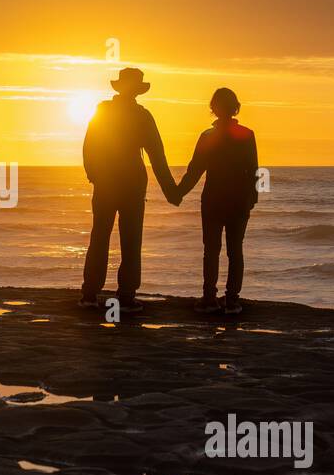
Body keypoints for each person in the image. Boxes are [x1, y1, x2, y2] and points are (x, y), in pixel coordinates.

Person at [79, 67, 178, 312]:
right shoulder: (141, 116)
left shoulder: (103, 112)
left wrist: (94, 176)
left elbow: (89, 146)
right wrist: (172, 192)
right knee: (131, 241)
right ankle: (126, 296)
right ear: (137, 91)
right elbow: (157, 155)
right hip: (132, 184)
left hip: (106, 183)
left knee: (100, 237)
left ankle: (90, 294)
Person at [169, 87, 258, 315]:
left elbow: (195, 170)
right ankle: (231, 300)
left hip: (213, 200)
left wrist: (178, 192)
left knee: (211, 249)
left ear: (214, 109)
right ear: (235, 107)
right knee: (234, 250)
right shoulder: (247, 135)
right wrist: (252, 197)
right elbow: (255, 171)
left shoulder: (208, 137)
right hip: (237, 201)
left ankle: (209, 298)